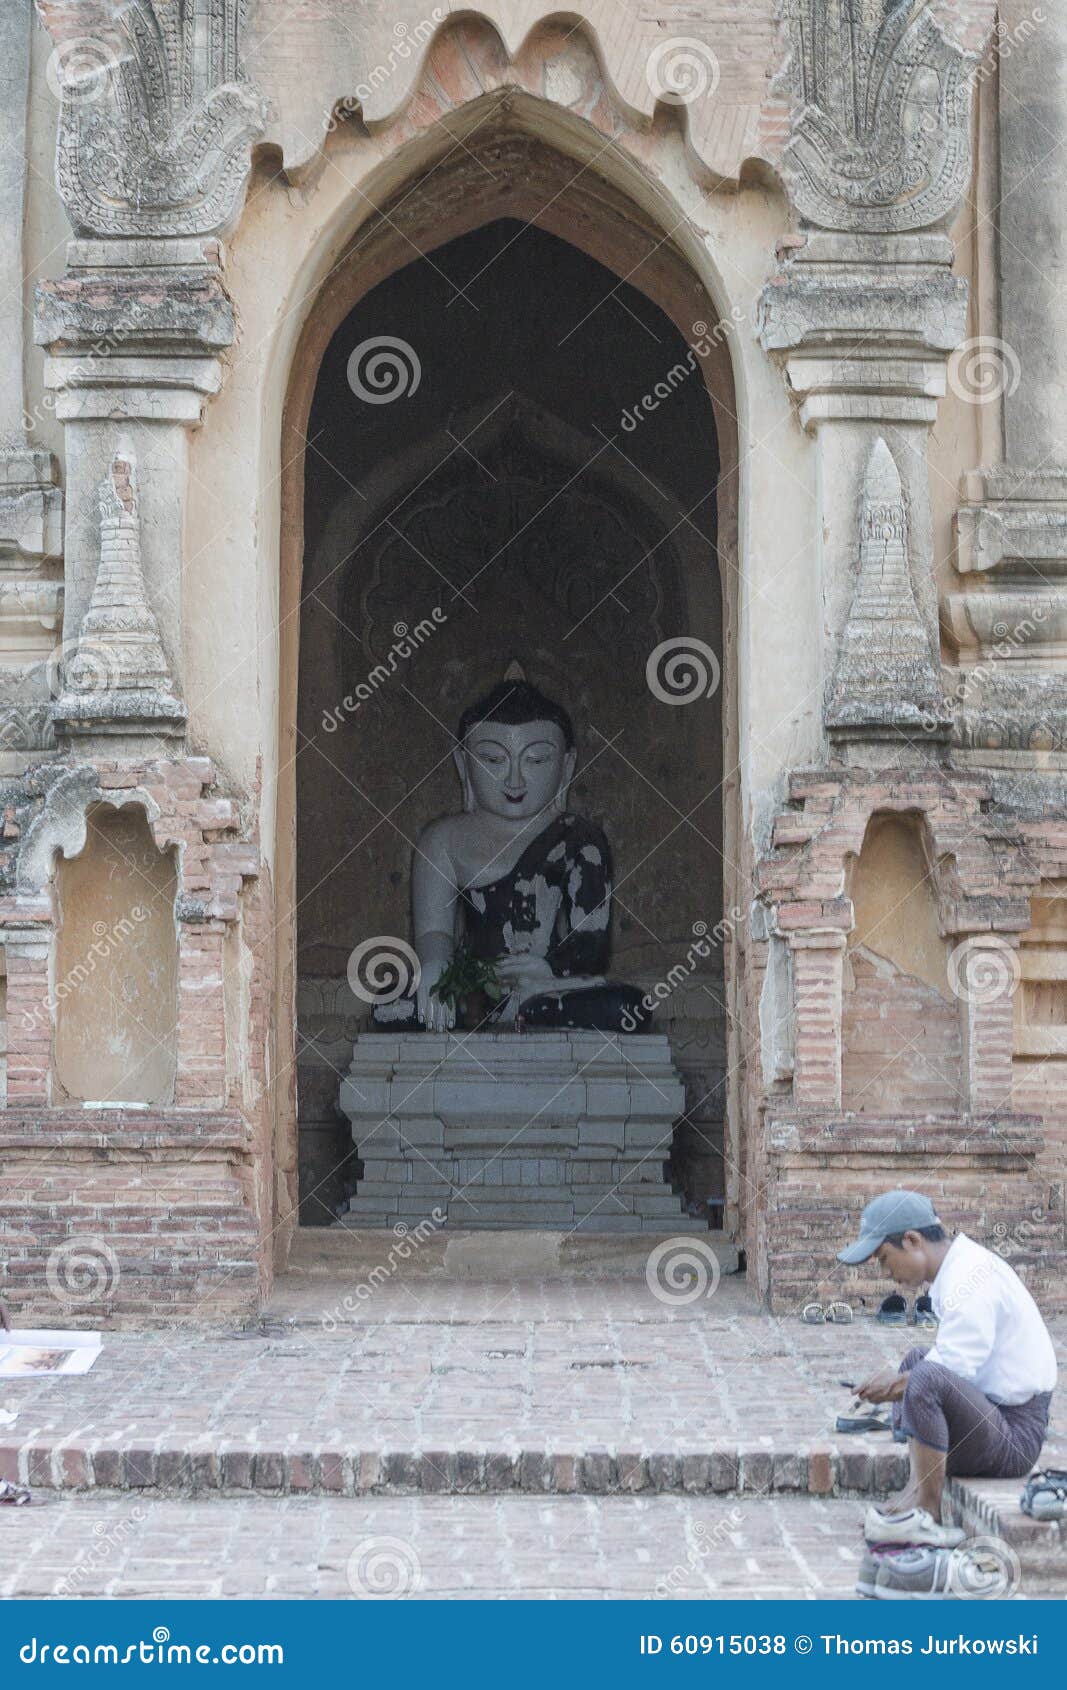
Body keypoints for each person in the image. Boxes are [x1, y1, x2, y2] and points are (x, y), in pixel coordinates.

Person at [840, 1190, 1057, 1548]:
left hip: (1014, 1438)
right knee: (917, 1361)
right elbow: (947, 1364)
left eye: (884, 1259)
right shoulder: (957, 1270)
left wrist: (891, 1388)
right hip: (991, 1417)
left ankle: (927, 1514)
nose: (885, 1272)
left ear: (912, 1241)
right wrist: (899, 1382)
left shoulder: (970, 1277)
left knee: (925, 1376)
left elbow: (952, 1369)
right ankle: (915, 1490)